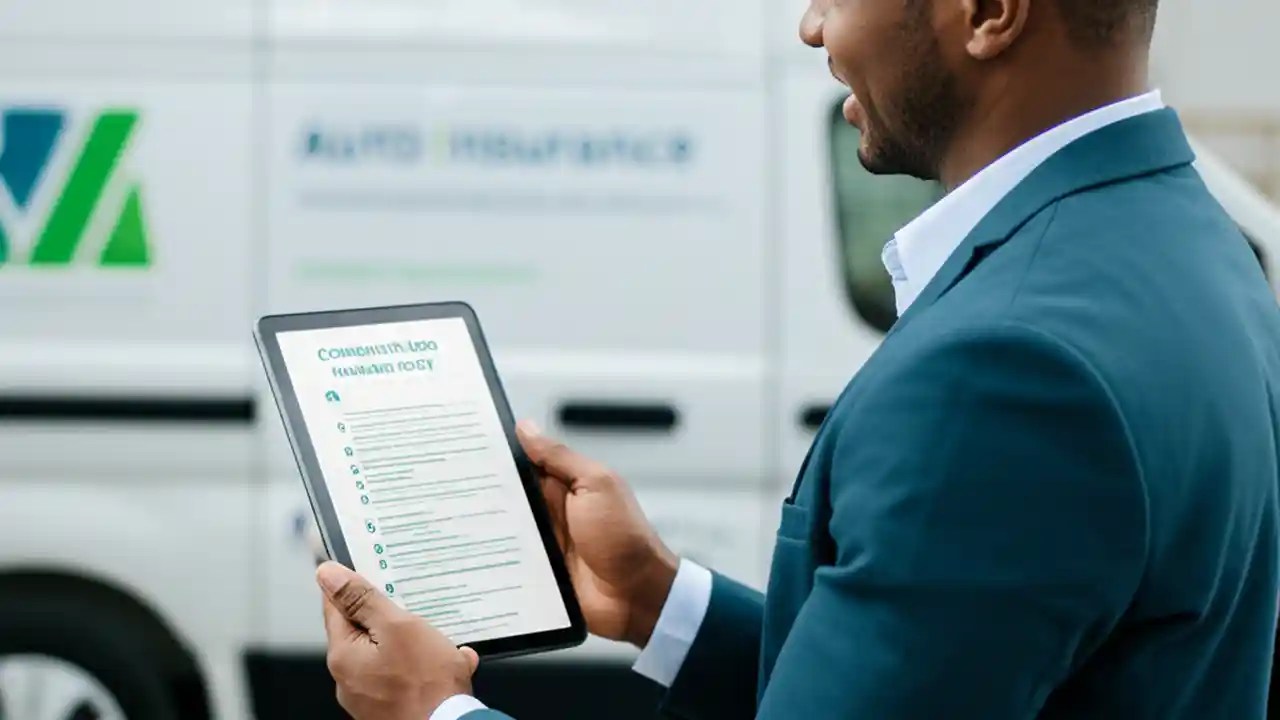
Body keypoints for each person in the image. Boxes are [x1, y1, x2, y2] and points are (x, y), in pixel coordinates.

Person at [315, 0, 1280, 717]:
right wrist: (659, 598)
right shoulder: (1199, 251)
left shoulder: (1006, 369)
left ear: (989, 13)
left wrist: (433, 711)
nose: (814, 26)